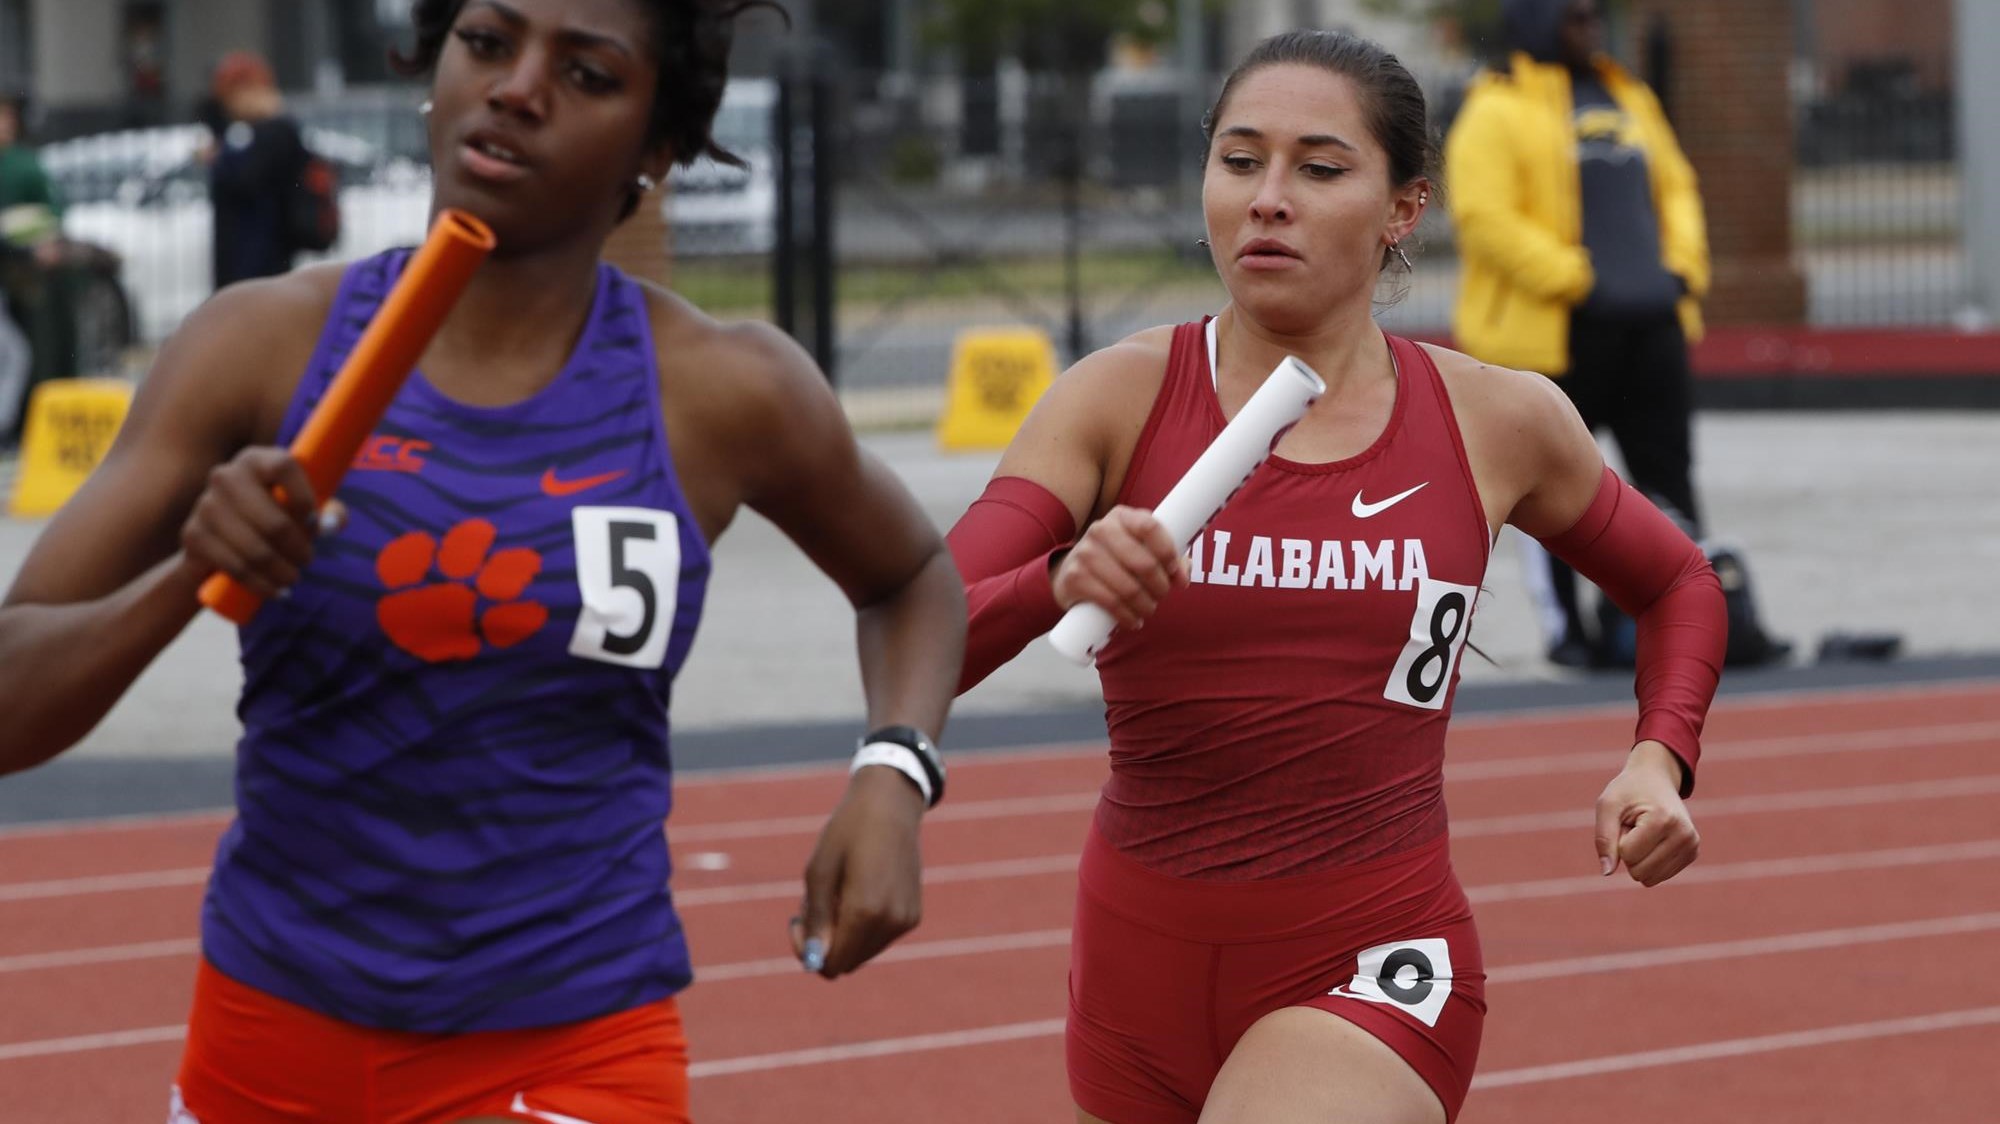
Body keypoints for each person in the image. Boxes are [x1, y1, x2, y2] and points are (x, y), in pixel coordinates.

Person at [0, 2, 965, 1121]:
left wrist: (894, 775)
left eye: (587, 73)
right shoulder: (257, 344)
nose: (517, 87)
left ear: (653, 153)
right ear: (436, 65)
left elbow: (907, 578)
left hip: (573, 1045)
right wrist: (188, 578)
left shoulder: (724, 387)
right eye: (489, 42)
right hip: (270, 1040)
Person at [947, 29, 1724, 1124]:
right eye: (1237, 160)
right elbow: (918, 637)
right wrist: (1057, 580)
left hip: (1370, 957)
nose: (1268, 199)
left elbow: (1680, 583)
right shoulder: (1109, 399)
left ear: (1402, 208)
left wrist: (1657, 759)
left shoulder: (1494, 418)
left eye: (1317, 168)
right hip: (1134, 964)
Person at [1444, 0, 1711, 669]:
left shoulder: (1630, 97)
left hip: (1650, 325)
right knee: (1552, 492)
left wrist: (1680, 269)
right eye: (1575, 13)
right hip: (1556, 336)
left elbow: (1676, 187)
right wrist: (1578, 279)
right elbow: (1484, 217)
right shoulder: (1494, 108)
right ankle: (1569, 632)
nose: (1591, 22)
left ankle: (1676, 617)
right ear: (1536, 19)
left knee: (1667, 478)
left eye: (1596, 13)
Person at [0, 90, 75, 437]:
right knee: (13, 354)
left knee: (15, 352)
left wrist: (38, 244)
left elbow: (52, 209)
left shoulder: (25, 163)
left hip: (18, 271)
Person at [203, 51, 312, 289]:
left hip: (261, 253)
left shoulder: (270, 133)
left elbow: (244, 178)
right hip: (253, 253)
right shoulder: (254, 132)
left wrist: (221, 159)